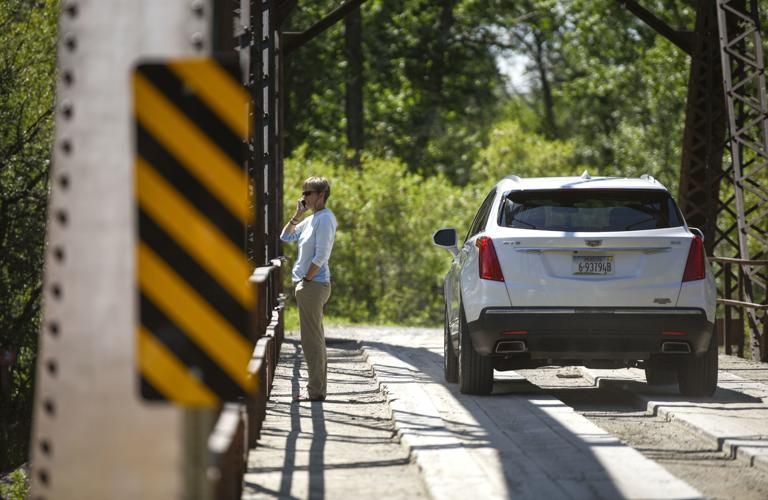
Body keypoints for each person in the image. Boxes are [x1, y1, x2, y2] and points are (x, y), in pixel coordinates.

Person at [280, 176, 337, 402]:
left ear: (321, 195)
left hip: (314, 285)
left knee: (311, 340)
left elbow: (322, 255)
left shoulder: (325, 219)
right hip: (309, 285)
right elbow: (286, 236)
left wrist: (306, 279)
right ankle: (317, 389)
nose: (304, 197)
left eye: (308, 193)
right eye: (303, 193)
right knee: (313, 339)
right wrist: (298, 214)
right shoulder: (312, 219)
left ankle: (315, 391)